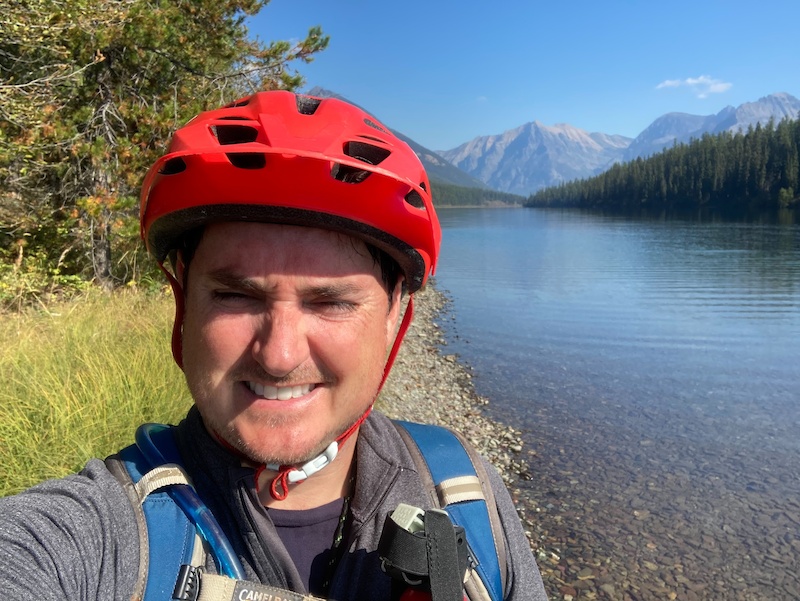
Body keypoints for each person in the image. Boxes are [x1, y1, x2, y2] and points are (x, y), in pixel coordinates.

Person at [0, 91, 548, 600]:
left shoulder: (466, 492)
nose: (279, 356)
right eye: (236, 296)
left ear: (394, 319)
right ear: (183, 306)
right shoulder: (100, 536)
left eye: (331, 302)